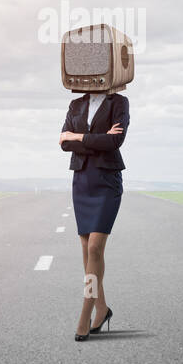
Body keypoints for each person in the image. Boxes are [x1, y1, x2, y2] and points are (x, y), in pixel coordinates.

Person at [58, 88, 129, 341]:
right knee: (87, 251)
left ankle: (85, 314)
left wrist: (78, 137)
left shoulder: (118, 102)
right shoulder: (75, 104)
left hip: (107, 182)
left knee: (95, 249)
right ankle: (102, 309)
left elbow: (114, 143)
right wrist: (96, 139)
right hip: (82, 181)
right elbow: (64, 143)